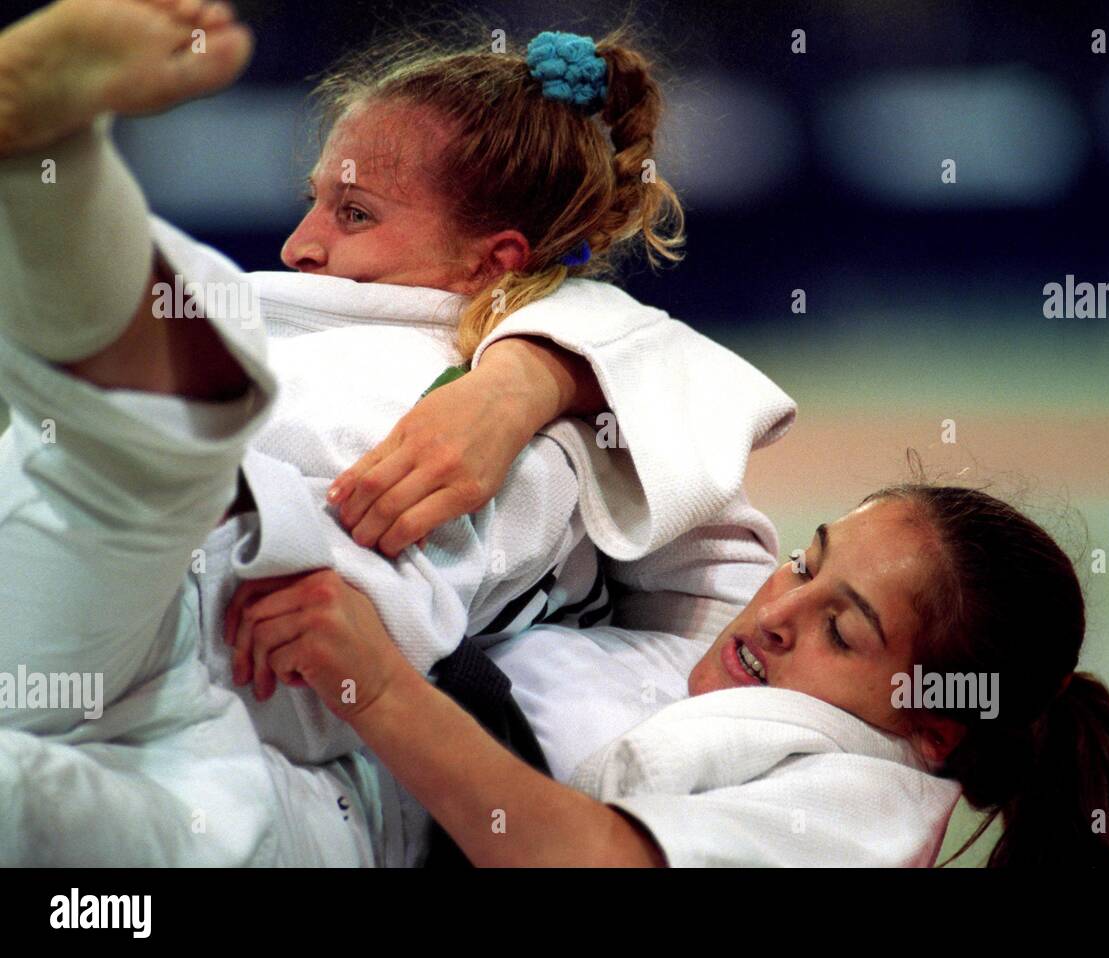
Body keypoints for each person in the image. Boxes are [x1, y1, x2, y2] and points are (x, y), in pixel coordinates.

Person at [0, 0, 791, 866]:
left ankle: (53, 162)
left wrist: (538, 373)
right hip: (156, 609)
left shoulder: (557, 427)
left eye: (355, 214)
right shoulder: (516, 371)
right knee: (150, 428)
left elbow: (710, 533)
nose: (300, 245)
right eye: (315, 204)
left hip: (207, 654)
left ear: (494, 257)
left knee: (152, 432)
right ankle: (51, 158)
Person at [238, 480, 1109, 867]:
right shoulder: (720, 670)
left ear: (933, 727)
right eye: (807, 566)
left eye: (841, 634)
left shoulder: (859, 827)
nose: (774, 616)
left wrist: (382, 685)